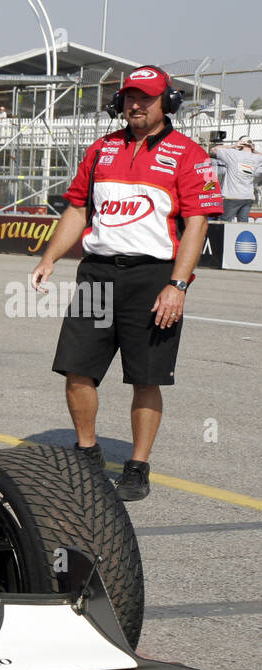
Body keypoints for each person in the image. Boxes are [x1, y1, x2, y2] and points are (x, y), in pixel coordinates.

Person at [30, 66, 221, 502]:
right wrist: (50, 257)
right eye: (130, 97)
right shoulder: (100, 150)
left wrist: (178, 285)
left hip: (154, 277)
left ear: (167, 102)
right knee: (76, 368)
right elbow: (78, 209)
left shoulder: (191, 155)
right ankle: (86, 452)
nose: (136, 105)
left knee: (145, 377)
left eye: (147, 98)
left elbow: (197, 224)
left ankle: (137, 466)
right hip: (97, 272)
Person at [209, 136, 259, 222]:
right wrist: (254, 151)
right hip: (248, 197)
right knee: (243, 223)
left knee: (224, 222)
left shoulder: (233, 154)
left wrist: (233, 146)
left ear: (240, 144)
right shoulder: (257, 158)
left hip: (232, 196)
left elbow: (214, 149)